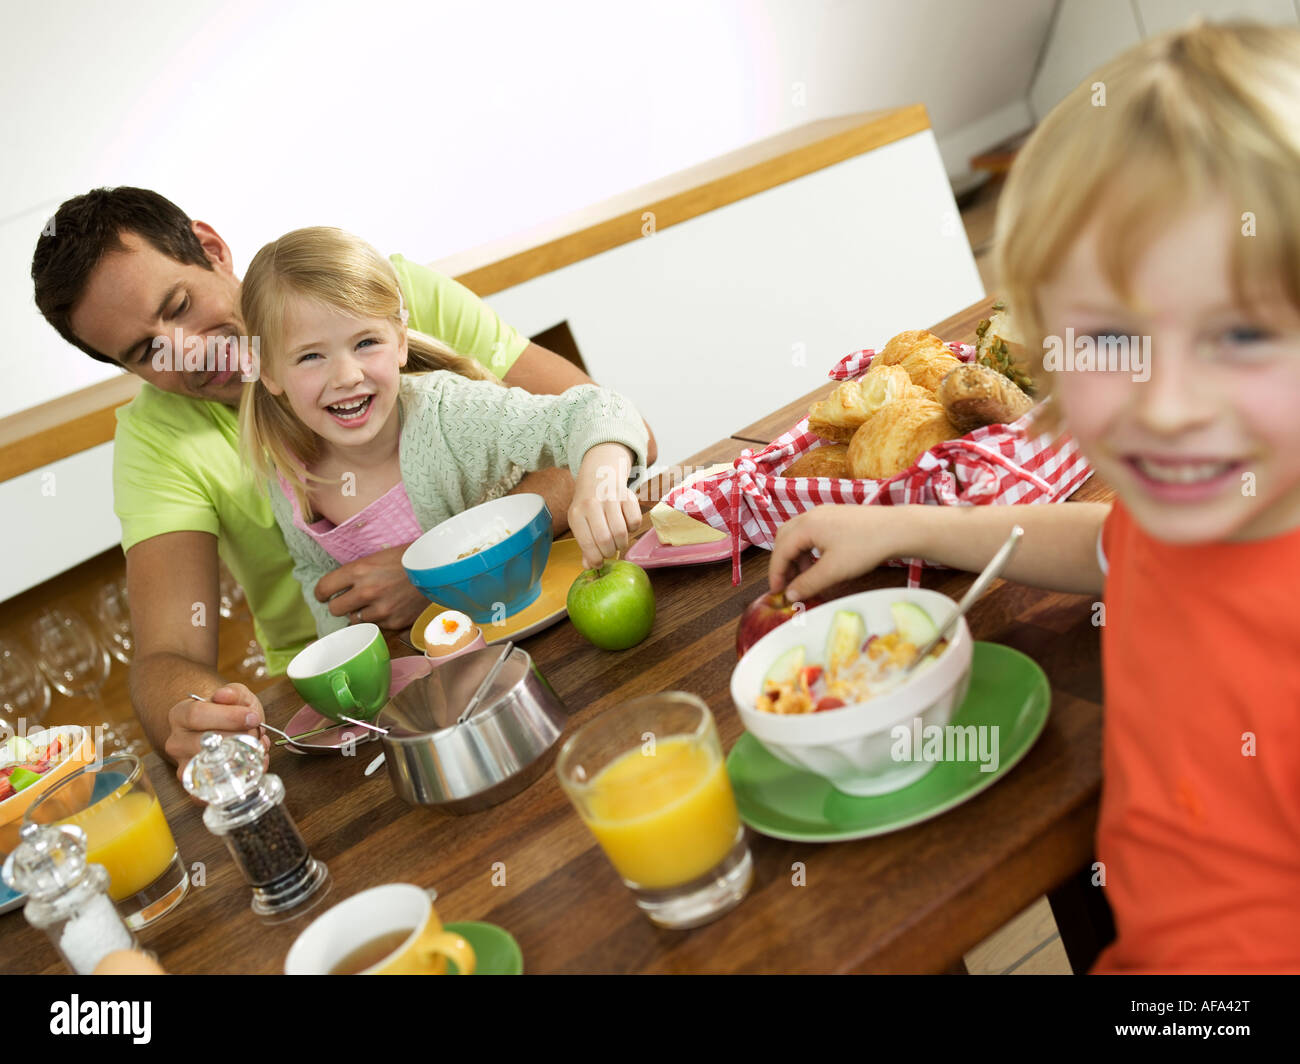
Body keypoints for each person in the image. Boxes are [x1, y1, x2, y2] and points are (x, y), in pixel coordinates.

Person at [767, 22, 1300, 973]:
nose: (1166, 405)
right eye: (1109, 341)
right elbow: (1105, 543)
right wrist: (906, 523)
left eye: (1241, 336)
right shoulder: (1191, 516)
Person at [30, 189, 658, 772]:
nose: (186, 351)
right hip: (381, 697)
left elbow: (617, 432)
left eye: (179, 306)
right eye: (146, 352)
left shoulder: (374, 296)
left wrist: (435, 570)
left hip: (538, 614)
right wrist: (193, 715)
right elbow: (167, 658)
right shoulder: (182, 445)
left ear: (212, 250)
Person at [239, 226, 647, 636]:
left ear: (400, 341)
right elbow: (320, 584)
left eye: (365, 343)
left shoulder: (448, 412)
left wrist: (599, 482)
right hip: (445, 658)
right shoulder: (288, 478)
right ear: (269, 372)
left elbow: (600, 409)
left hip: (553, 622)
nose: (347, 376)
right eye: (311, 356)